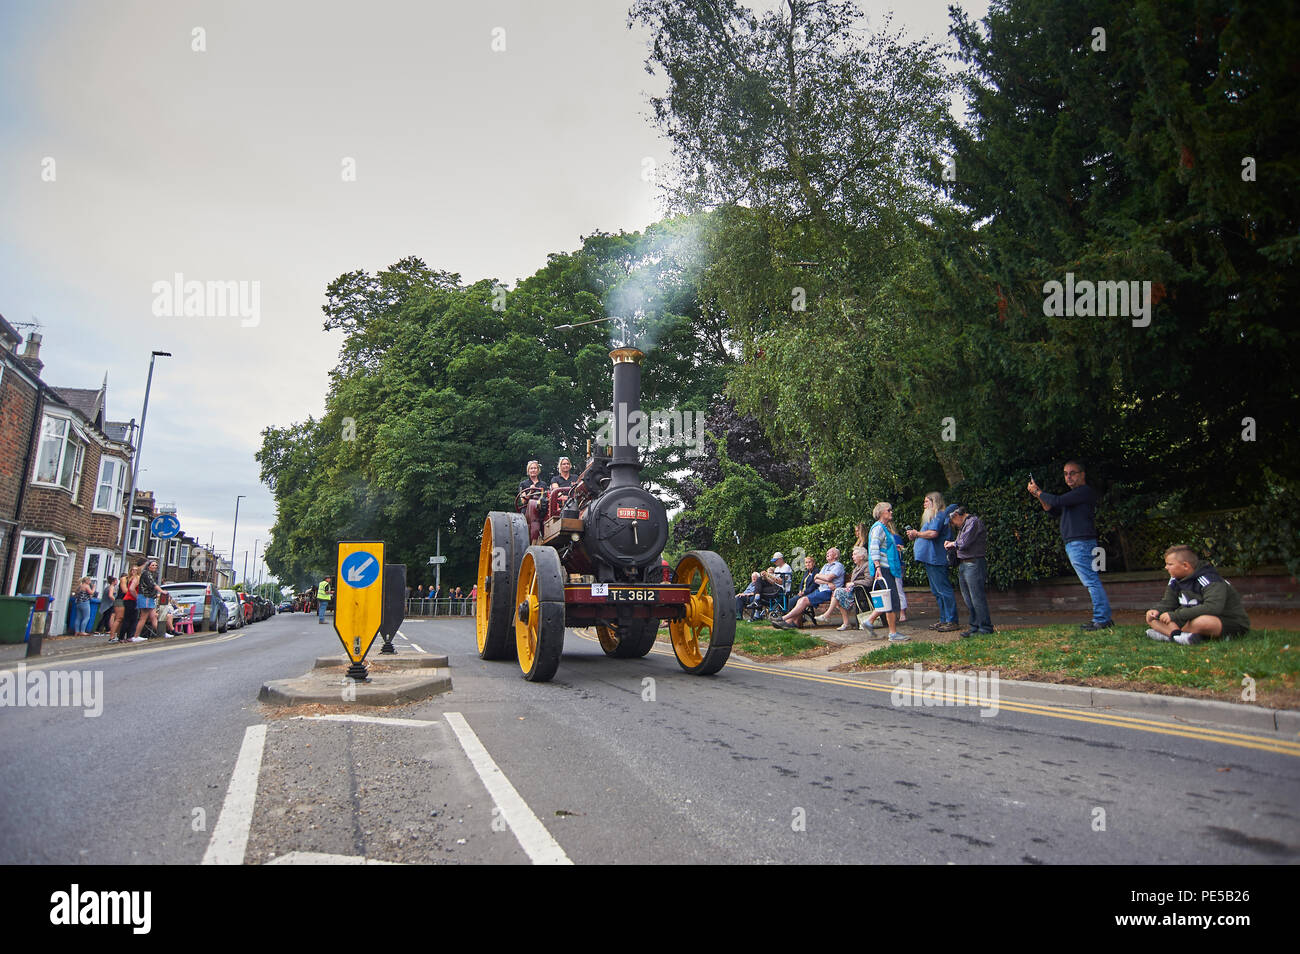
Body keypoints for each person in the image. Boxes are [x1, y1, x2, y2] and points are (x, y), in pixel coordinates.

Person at [1029, 460, 1113, 631]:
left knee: (1091, 581)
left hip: (1081, 543)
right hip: (1078, 543)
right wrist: (1038, 496)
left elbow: (1057, 501)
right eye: (1066, 474)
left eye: (1072, 473)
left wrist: (1038, 491)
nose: (1068, 477)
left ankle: (1102, 618)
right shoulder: (1074, 498)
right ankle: (1102, 617)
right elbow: (1052, 509)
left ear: (1082, 474)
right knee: (1092, 580)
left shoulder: (1083, 492)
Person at [1145, 546, 1251, 645]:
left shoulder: (1210, 580)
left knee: (1202, 622)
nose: (1166, 567)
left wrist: (1175, 616)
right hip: (1189, 620)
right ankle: (1179, 636)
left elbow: (1212, 607)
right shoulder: (1174, 579)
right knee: (1152, 618)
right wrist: (1156, 611)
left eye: (1170, 564)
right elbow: (1168, 602)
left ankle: (1169, 634)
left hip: (1226, 621)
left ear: (1185, 565)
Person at [906, 493, 961, 632]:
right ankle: (944, 619)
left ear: (934, 502)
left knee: (943, 590)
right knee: (937, 591)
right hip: (930, 559)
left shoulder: (938, 515)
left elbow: (933, 534)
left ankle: (951, 620)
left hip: (937, 558)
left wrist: (917, 534)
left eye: (926, 501)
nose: (924, 504)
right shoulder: (933, 517)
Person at [945, 506, 993, 638]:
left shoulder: (973, 522)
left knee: (976, 597)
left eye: (953, 522)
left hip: (974, 563)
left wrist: (953, 544)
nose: (953, 525)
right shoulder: (965, 525)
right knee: (968, 599)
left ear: (956, 516)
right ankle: (975, 626)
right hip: (965, 563)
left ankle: (985, 627)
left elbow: (964, 543)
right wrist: (953, 543)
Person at [864, 504, 907, 641]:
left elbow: (882, 547)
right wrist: (877, 567)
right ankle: (893, 634)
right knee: (891, 600)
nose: (891, 511)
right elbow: (874, 548)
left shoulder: (882, 528)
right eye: (888, 510)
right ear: (881, 513)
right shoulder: (879, 528)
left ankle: (869, 621)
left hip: (884, 568)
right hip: (884, 569)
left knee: (886, 599)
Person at [773, 548, 843, 629]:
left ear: (836, 555)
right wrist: (824, 580)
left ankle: (783, 619)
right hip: (821, 590)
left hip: (829, 592)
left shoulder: (838, 566)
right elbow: (816, 580)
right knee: (800, 600)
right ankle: (789, 622)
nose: (827, 554)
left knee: (802, 600)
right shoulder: (825, 566)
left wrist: (820, 577)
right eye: (827, 552)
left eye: (830, 553)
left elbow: (828, 577)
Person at [819, 545, 871, 631]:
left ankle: (828, 615)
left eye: (854, 554)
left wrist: (853, 583)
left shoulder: (866, 566)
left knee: (838, 592)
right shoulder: (856, 568)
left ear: (862, 556)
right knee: (838, 594)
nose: (852, 556)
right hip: (854, 591)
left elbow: (868, 581)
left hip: (861, 592)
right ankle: (845, 623)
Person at [518, 460, 548, 541]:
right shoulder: (523, 484)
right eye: (531, 468)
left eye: (535, 468)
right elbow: (523, 501)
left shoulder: (543, 484)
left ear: (538, 470)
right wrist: (531, 492)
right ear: (528, 471)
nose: (533, 470)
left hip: (541, 510)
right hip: (527, 510)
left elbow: (546, 497)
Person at [132, 559, 161, 642]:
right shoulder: (146, 574)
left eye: (156, 565)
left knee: (154, 617)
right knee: (143, 618)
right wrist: (162, 591)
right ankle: (136, 636)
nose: (154, 567)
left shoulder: (151, 574)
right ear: (148, 566)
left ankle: (161, 633)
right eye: (152, 565)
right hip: (146, 597)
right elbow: (153, 584)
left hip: (150, 598)